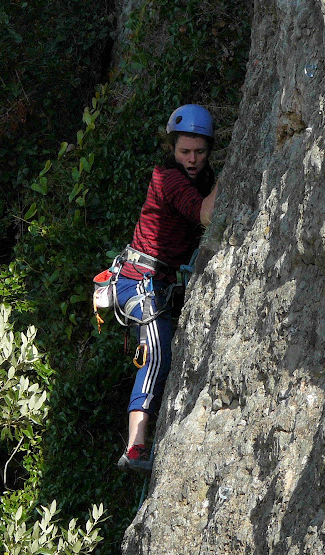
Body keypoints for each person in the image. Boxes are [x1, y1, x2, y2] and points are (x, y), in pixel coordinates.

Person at [116, 104, 219, 473]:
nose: (192, 160)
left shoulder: (198, 181)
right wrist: (234, 170)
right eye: (185, 152)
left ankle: (143, 442)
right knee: (156, 354)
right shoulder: (168, 178)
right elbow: (206, 214)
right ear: (172, 150)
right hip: (139, 281)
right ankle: (134, 449)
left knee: (164, 356)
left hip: (155, 283)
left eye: (200, 152)